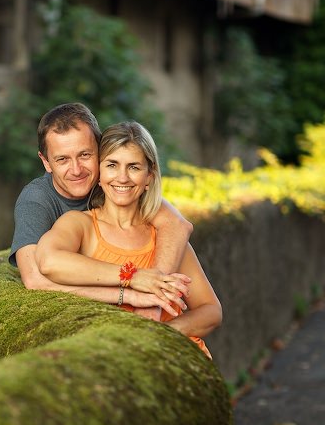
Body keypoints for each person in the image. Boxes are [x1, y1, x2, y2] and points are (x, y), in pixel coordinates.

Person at [36, 121, 221, 358]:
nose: (122, 177)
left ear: (149, 176)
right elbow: (49, 262)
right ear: (99, 174)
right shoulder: (79, 225)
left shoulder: (167, 241)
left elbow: (211, 310)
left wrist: (159, 332)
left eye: (134, 167)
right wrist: (133, 276)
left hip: (181, 359)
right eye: (112, 165)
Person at [9, 103, 193, 319]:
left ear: (100, 151)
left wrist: (155, 290)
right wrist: (128, 291)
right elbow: (35, 281)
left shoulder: (113, 182)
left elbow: (177, 224)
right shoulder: (36, 200)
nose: (76, 170)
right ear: (46, 162)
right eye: (62, 159)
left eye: (85, 155)